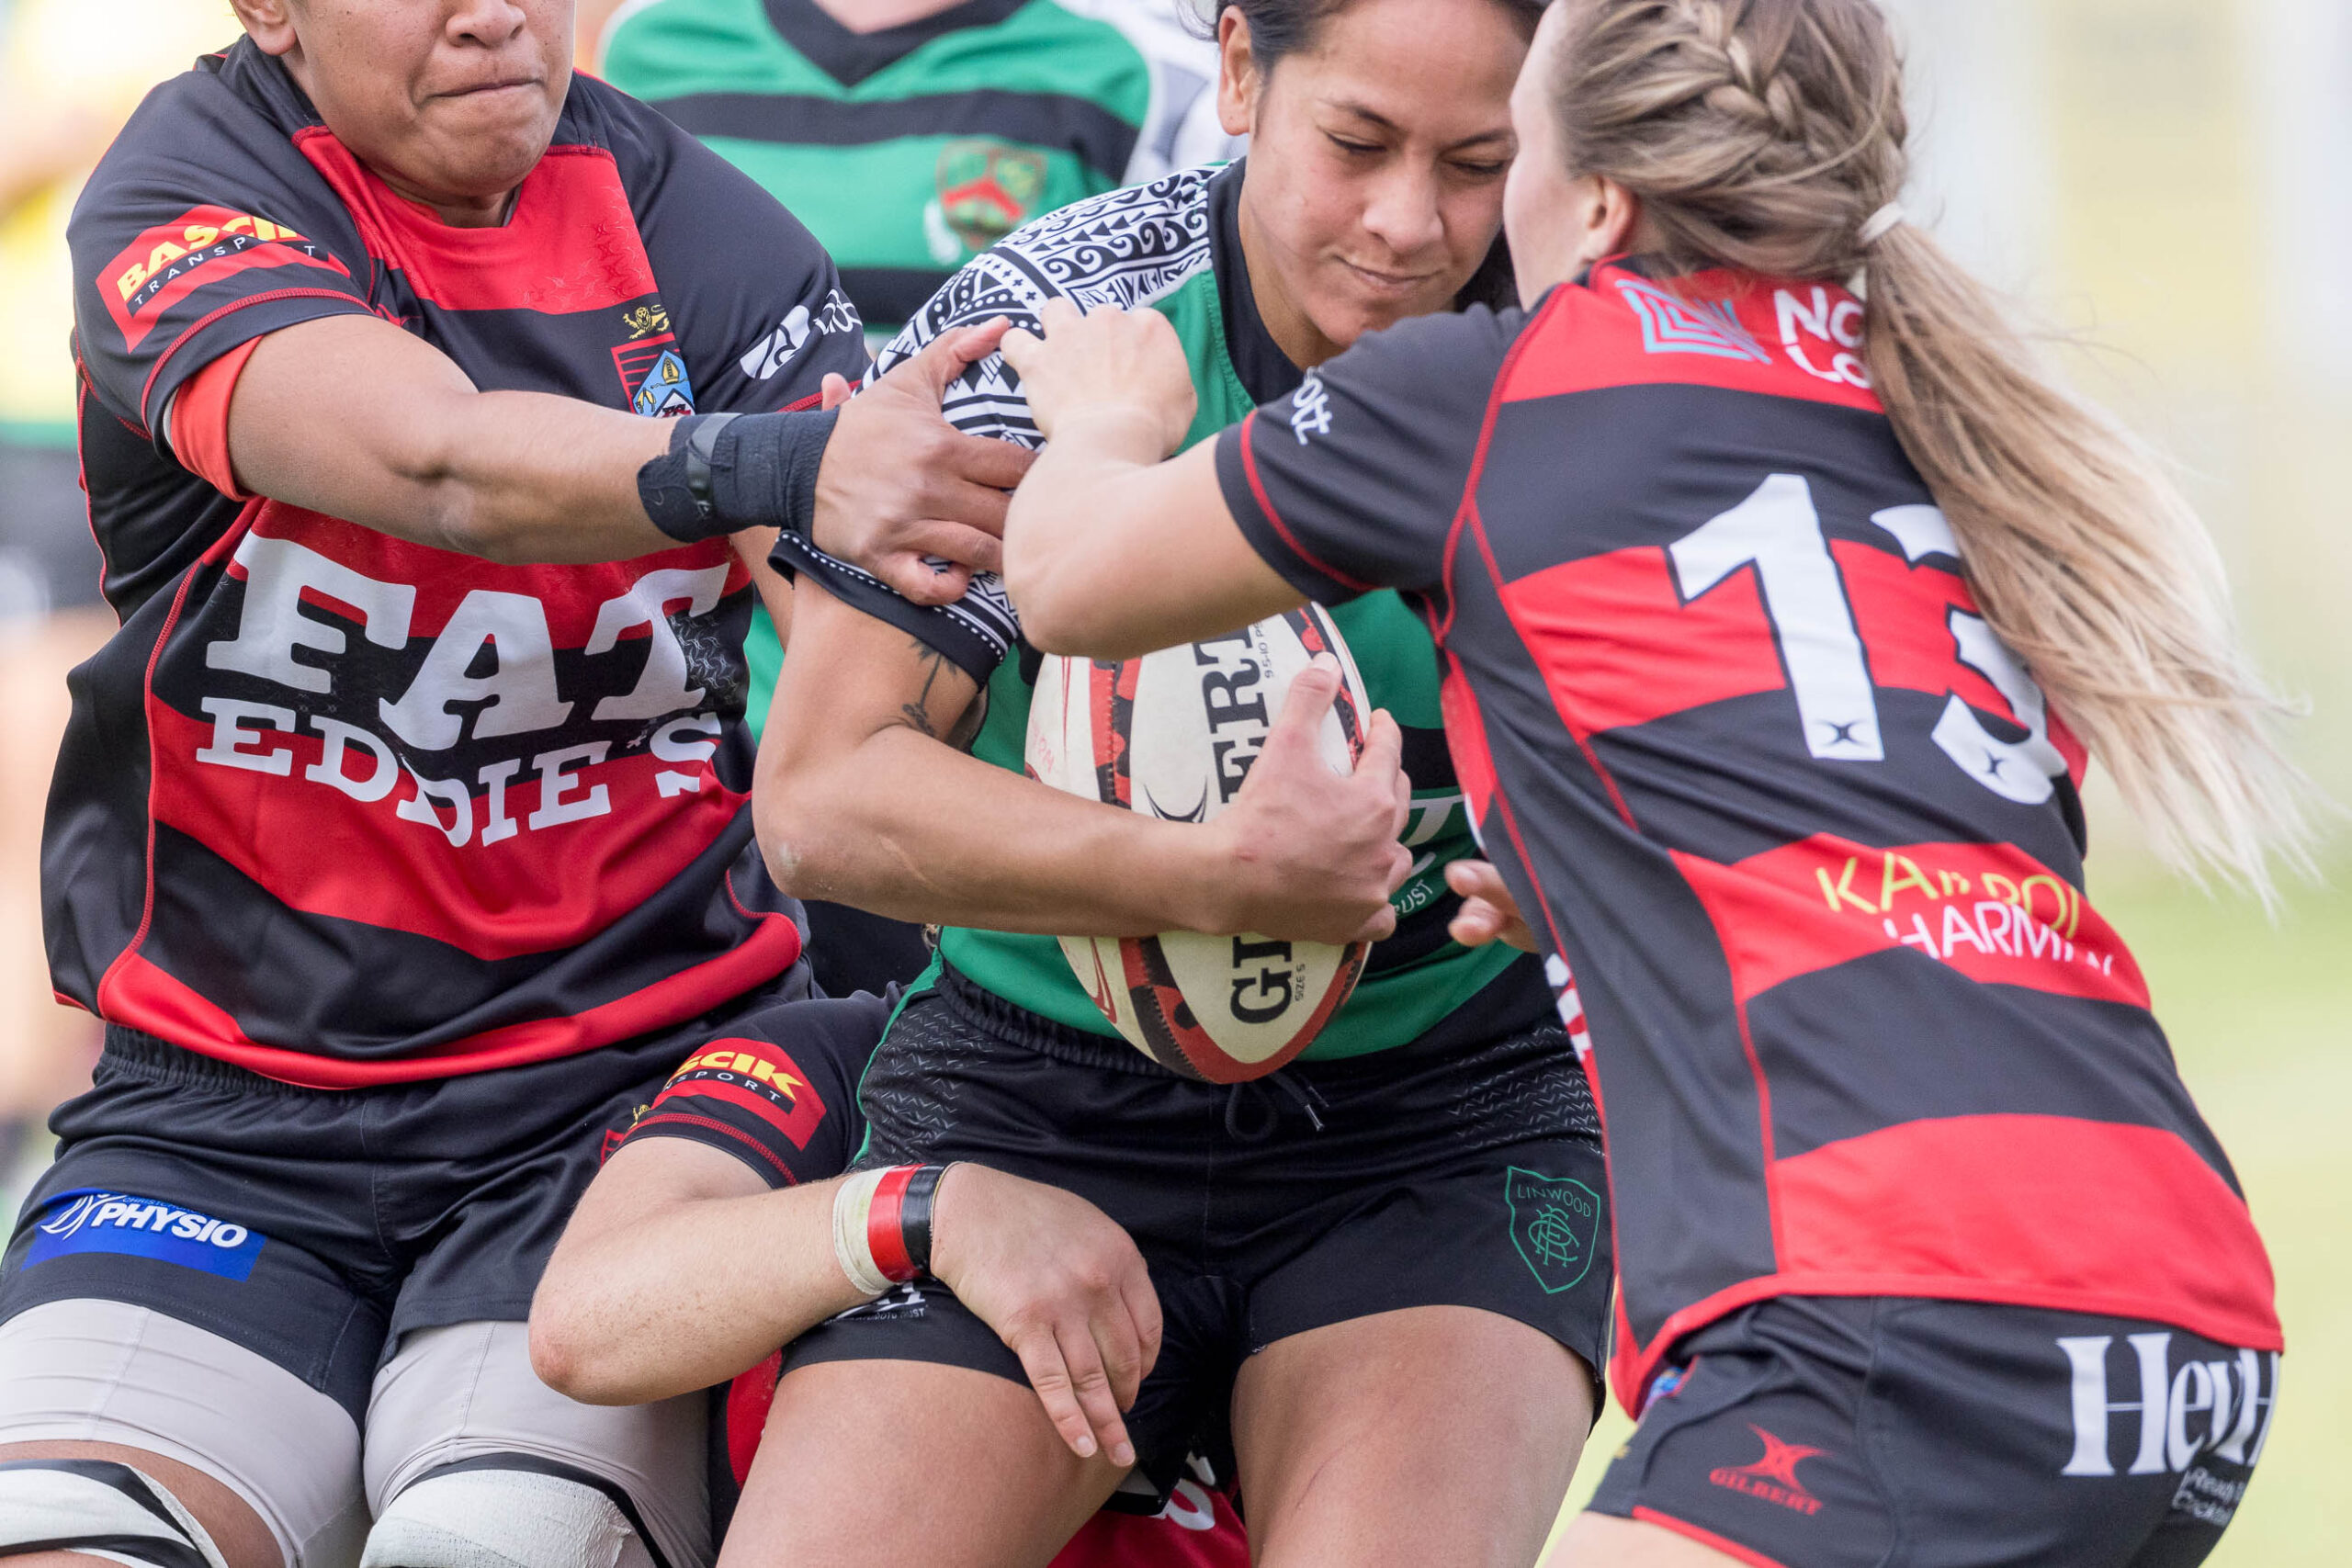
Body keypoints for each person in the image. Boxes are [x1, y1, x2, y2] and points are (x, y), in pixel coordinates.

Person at [993, 0, 2319, 1563]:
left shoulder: (1498, 385)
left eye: (1502, 154)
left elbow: (1070, 581)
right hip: (2185, 1308)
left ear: (1600, 200)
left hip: (1885, 1305)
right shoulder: (1933, 410)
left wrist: (1105, 425)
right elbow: (1849, 832)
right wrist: (1568, 885)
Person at [0, 0, 1034, 1564]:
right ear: (267, 9)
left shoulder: (712, 238)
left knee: (501, 1541)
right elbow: (440, 461)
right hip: (221, 1120)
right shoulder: (189, 185)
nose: (493, 9)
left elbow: (863, 679)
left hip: (617, 1113)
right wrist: (764, 463)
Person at [747, 0, 1613, 1562]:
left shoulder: (1589, 346)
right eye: (1355, 144)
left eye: (1477, 162)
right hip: (1034, 1092)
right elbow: (821, 797)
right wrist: (1213, 881)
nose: (1408, 222)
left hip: (1438, 1109)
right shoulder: (1060, 331)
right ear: (1232, 66)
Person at [596, 0, 1243, 995]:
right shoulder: (652, 46)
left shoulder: (1130, 69)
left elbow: (1184, 382)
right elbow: (633, 386)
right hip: (701, 753)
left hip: (969, 746)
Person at [527, 993, 1249, 1567]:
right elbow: (582, 1322)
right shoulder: (839, 1053)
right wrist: (925, 1211)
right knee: (502, 1527)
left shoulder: (1316, 1120)